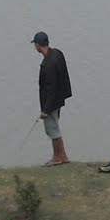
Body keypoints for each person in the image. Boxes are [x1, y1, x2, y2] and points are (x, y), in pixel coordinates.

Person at [30, 31, 72, 166]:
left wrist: (45, 110)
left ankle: (58, 157)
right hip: (59, 99)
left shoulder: (48, 65)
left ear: (37, 45)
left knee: (52, 129)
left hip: (51, 102)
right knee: (55, 127)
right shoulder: (57, 53)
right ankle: (62, 156)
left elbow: (51, 89)